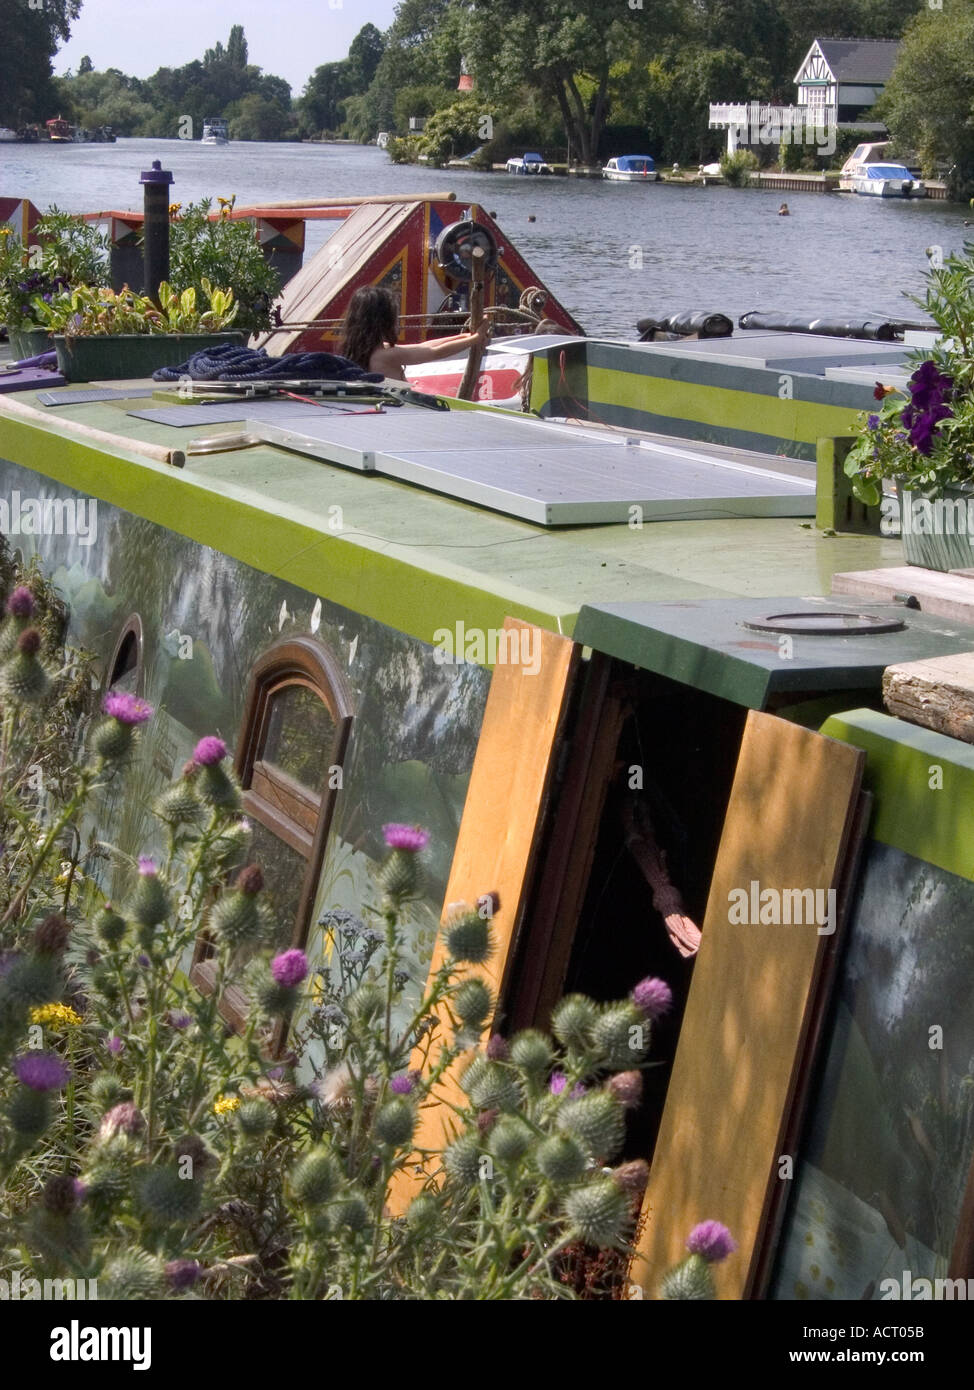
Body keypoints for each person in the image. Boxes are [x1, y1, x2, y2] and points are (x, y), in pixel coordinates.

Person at [340, 285, 489, 381]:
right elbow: (434, 352)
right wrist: (475, 339)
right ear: (383, 321)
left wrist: (465, 336)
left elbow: (424, 346)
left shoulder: (370, 351)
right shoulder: (387, 355)